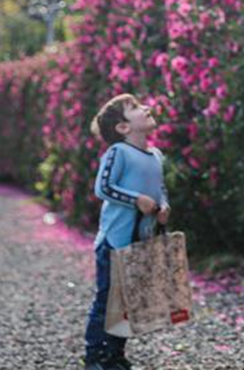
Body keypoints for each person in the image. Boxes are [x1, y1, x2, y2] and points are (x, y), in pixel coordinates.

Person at [83, 94, 170, 370]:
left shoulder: (155, 155)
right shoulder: (118, 152)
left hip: (140, 240)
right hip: (114, 240)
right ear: (123, 127)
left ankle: (115, 355)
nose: (146, 107)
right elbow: (103, 187)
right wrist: (136, 200)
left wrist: (164, 205)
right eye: (135, 107)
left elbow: (160, 187)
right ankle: (95, 356)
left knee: (127, 301)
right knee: (107, 298)